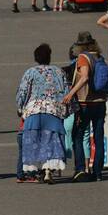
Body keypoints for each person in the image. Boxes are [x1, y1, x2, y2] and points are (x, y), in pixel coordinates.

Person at [15, 43, 68, 183]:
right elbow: (66, 92)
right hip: (53, 111)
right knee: (51, 142)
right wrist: (67, 111)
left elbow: (22, 92)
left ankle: (36, 169)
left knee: (34, 141)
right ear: (49, 57)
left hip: (33, 110)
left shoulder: (30, 72)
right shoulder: (59, 72)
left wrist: (20, 108)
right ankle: (47, 170)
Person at [62, 31, 108, 181]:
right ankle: (98, 172)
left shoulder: (83, 57)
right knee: (99, 138)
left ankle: (80, 168)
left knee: (78, 135)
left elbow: (85, 77)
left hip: (85, 103)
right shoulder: (100, 57)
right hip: (100, 102)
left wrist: (70, 93)